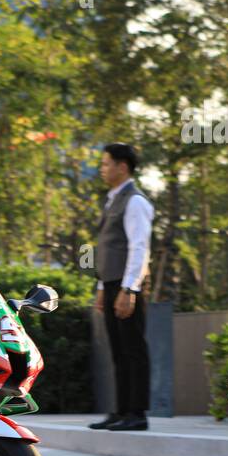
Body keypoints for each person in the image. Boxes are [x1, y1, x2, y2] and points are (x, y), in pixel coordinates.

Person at [89, 142, 155, 432]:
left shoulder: (136, 201)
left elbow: (139, 248)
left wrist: (130, 290)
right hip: (114, 282)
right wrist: (104, 287)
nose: (102, 169)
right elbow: (111, 248)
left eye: (106, 164)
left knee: (133, 349)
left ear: (122, 167)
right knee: (117, 350)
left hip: (130, 286)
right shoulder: (112, 198)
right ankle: (120, 411)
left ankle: (137, 413)